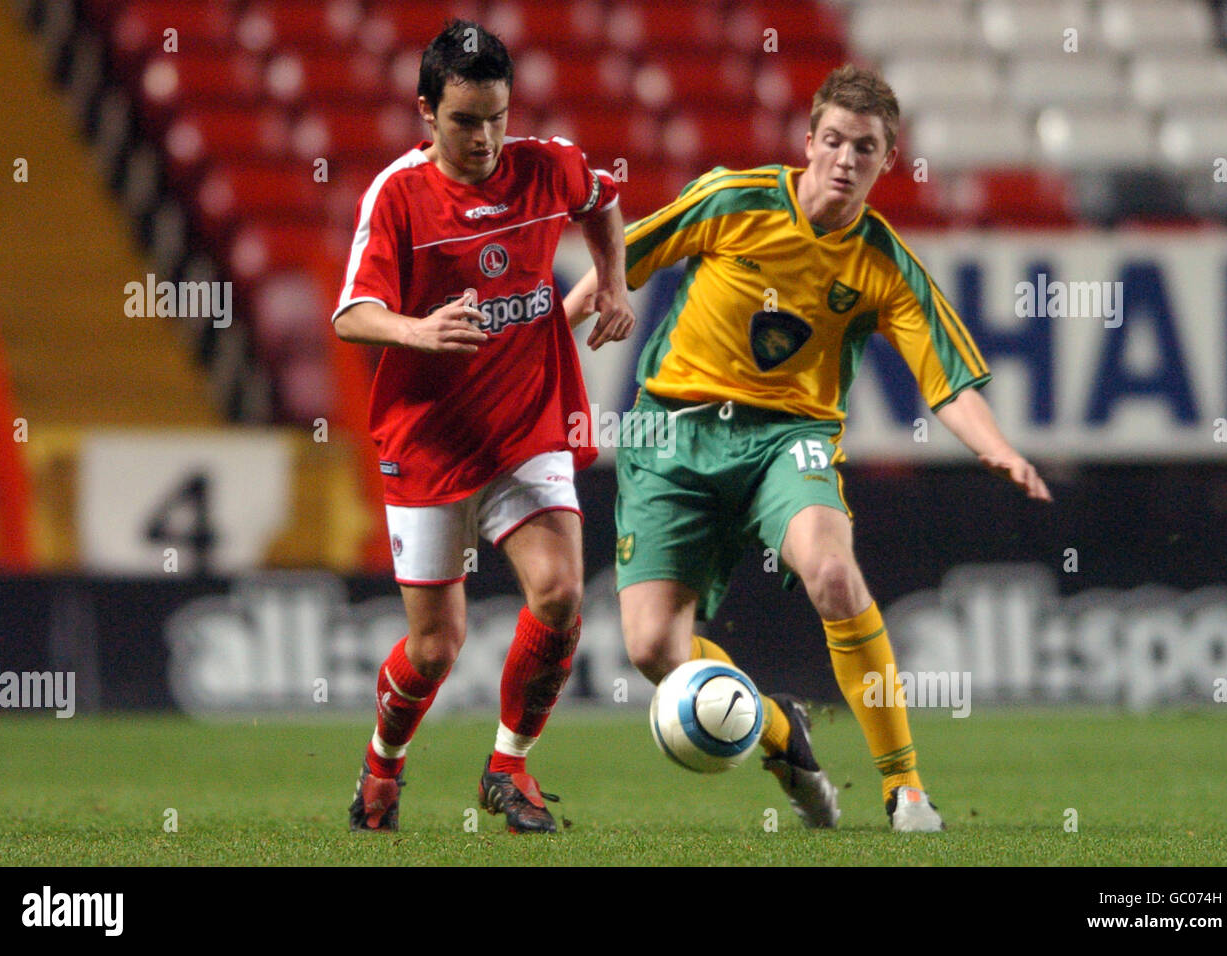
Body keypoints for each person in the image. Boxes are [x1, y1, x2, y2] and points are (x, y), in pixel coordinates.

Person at [565, 64, 1051, 831]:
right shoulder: (735, 198)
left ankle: (906, 790)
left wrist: (998, 449)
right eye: (833, 140)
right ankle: (784, 732)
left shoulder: (882, 261)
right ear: (808, 142)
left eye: (865, 147)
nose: (845, 159)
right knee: (656, 649)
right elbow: (622, 257)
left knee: (831, 570)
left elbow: (949, 381)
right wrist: (555, 327)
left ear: (887, 159)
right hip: (672, 434)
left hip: (788, 440)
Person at [332, 20, 635, 834]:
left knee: (563, 592)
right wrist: (418, 331)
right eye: (466, 120)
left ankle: (508, 768)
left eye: (497, 115)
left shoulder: (546, 164)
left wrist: (611, 283)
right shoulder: (397, 195)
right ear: (427, 112)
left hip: (524, 425)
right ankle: (381, 768)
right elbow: (353, 314)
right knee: (436, 647)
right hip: (429, 438)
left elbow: (604, 203)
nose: (486, 137)